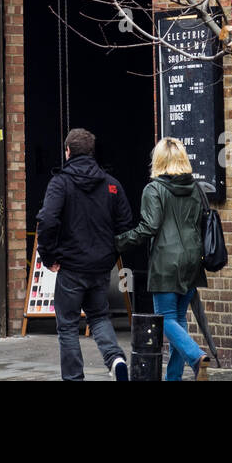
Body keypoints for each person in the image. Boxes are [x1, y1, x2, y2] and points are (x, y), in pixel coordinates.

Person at [36, 127, 133, 381]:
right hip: (100, 268)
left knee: (67, 326)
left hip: (71, 268)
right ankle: (116, 359)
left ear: (68, 152)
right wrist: (111, 254)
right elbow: (126, 225)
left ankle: (74, 378)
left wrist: (49, 257)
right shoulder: (112, 185)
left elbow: (47, 220)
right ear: (91, 152)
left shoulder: (61, 183)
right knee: (99, 317)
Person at [117, 137, 208, 381]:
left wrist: (119, 241)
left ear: (158, 160)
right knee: (179, 319)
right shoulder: (196, 188)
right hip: (193, 260)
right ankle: (173, 378)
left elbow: (149, 226)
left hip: (167, 262)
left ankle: (197, 356)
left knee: (166, 319)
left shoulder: (154, 189)